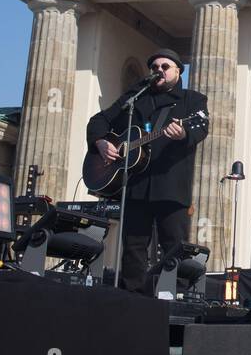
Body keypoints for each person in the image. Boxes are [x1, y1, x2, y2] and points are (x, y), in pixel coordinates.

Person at [87, 48, 208, 295]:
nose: (159, 71)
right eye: (155, 67)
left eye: (165, 67)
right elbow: (98, 120)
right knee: (133, 247)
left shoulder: (193, 101)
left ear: (178, 71)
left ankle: (176, 296)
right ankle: (131, 298)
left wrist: (185, 133)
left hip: (170, 186)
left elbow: (200, 128)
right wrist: (100, 142)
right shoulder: (135, 98)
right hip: (134, 184)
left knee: (174, 245)